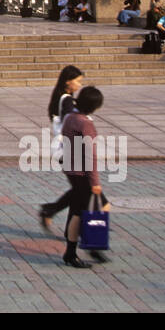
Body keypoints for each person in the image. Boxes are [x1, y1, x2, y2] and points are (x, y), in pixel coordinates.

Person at [38, 65, 95, 229]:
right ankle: (54, 212)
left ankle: (52, 212)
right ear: (67, 82)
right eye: (77, 81)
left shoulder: (59, 98)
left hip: (64, 150)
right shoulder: (68, 101)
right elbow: (74, 122)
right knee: (84, 190)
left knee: (80, 190)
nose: (79, 85)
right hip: (71, 150)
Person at [60, 86, 110, 267]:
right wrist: (95, 182)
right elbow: (90, 156)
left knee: (83, 209)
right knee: (81, 213)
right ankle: (74, 251)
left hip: (72, 171)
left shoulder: (70, 118)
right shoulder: (85, 123)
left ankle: (88, 245)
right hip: (82, 174)